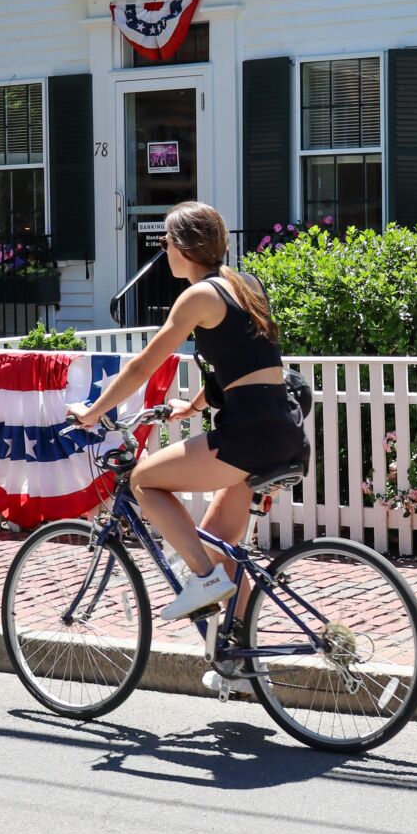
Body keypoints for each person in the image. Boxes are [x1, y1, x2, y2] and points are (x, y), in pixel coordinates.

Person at [67, 201, 308, 634]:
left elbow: (143, 365)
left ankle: (204, 580)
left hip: (247, 434)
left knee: (142, 480)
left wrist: (94, 412)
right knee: (220, 546)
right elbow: (243, 361)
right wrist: (194, 406)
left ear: (183, 246)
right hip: (282, 427)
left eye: (164, 241)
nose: (163, 250)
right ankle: (241, 663)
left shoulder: (198, 295)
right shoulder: (246, 283)